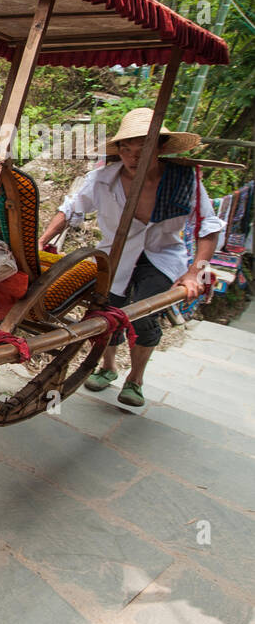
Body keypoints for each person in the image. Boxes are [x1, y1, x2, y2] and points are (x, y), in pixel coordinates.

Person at [37, 107, 224, 407]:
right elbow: (71, 209)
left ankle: (135, 379)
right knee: (106, 312)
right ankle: (108, 366)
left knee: (143, 315)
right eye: (127, 149)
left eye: (144, 149)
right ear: (119, 150)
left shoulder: (184, 181)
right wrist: (44, 240)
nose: (134, 157)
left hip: (162, 257)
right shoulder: (102, 180)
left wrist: (195, 272)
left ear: (160, 149)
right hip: (115, 255)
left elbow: (208, 227)